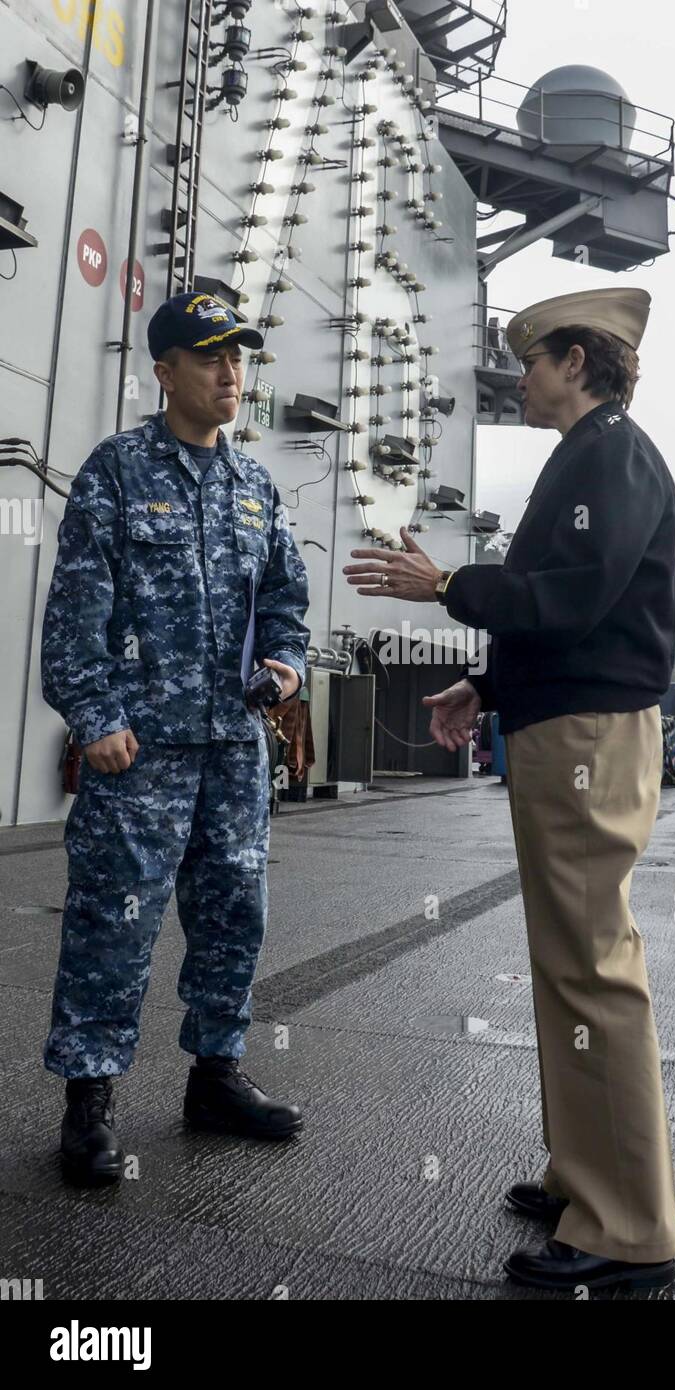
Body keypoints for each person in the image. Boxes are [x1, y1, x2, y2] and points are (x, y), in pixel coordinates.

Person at [343, 287, 675, 1294]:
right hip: (560, 725)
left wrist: (445, 586)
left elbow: (572, 597)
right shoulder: (590, 455)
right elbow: (577, 612)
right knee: (566, 966)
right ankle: (585, 1174)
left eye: (532, 361)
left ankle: (627, 1228)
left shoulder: (609, 453)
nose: (520, 377)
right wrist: (486, 683)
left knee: (590, 969)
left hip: (584, 739)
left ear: (576, 359)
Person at [41, 291, 310, 1186]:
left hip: (234, 751)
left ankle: (215, 1077)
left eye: (238, 356)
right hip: (140, 754)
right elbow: (75, 615)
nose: (230, 372)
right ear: (164, 372)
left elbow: (286, 606)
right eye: (209, 357)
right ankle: (88, 1106)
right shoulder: (115, 472)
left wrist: (285, 666)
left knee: (235, 919)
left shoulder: (256, 488)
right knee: (113, 924)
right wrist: (98, 717)